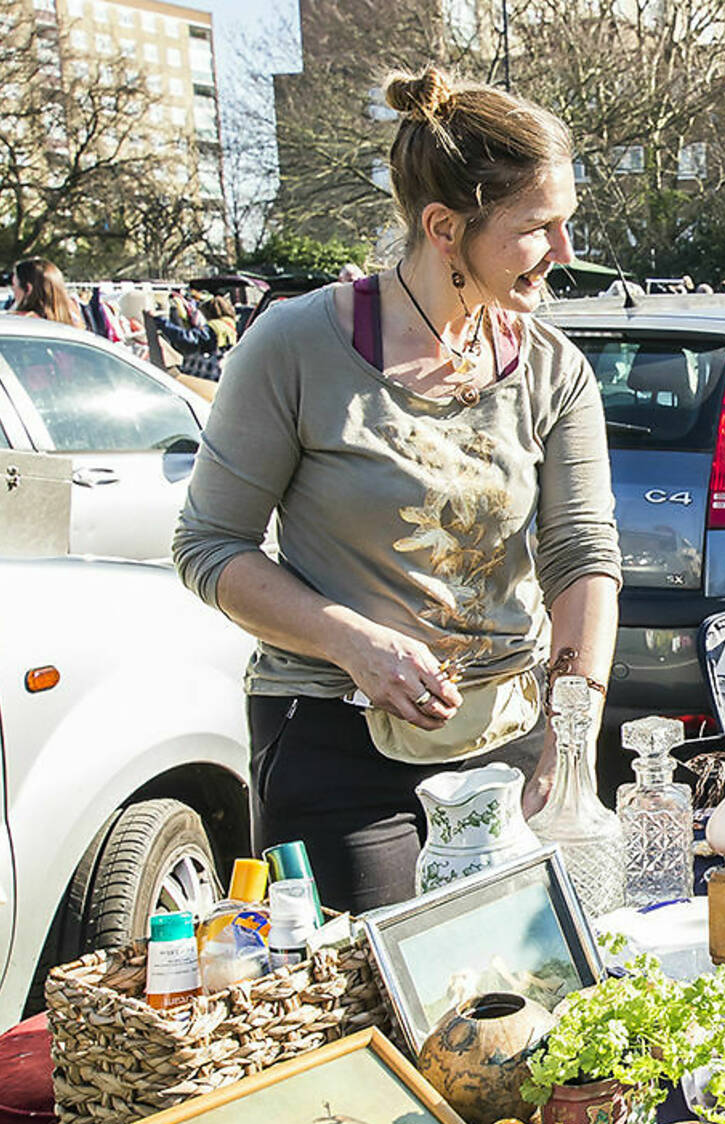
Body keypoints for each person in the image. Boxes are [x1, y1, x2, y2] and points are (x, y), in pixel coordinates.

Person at [172, 66, 620, 914]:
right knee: (382, 1016)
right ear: (444, 226)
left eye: (567, 224)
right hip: (336, 743)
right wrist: (355, 643)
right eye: (537, 228)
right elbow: (208, 547)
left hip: (510, 738)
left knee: (527, 1002)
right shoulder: (296, 344)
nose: (564, 253)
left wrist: (572, 731)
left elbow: (582, 555)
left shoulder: (556, 369)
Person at [10, 258, 85, 328]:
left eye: (13, 285)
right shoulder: (73, 319)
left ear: (28, 289)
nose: (12, 289)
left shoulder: (22, 323)